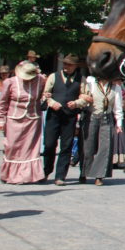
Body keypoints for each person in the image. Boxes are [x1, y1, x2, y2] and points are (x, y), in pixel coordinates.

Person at [0, 61, 45, 184]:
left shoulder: (41, 80)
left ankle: (29, 176)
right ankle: (10, 175)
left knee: (30, 149)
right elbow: (2, 102)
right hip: (14, 119)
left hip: (32, 119)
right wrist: (0, 119)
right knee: (12, 147)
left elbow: (43, 96)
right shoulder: (10, 82)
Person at [42, 53, 88, 185]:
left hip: (70, 116)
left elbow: (85, 97)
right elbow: (45, 94)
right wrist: (51, 102)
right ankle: (47, 170)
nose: (66, 66)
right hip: (54, 115)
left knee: (66, 146)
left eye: (69, 64)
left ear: (75, 66)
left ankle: (60, 176)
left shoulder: (81, 79)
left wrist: (77, 103)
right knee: (49, 144)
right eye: (65, 64)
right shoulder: (53, 76)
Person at [80, 75, 125, 185]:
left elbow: (118, 107)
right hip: (91, 116)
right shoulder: (91, 83)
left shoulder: (115, 87)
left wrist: (119, 123)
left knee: (105, 147)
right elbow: (84, 97)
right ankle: (84, 172)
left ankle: (99, 176)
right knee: (88, 146)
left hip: (106, 117)